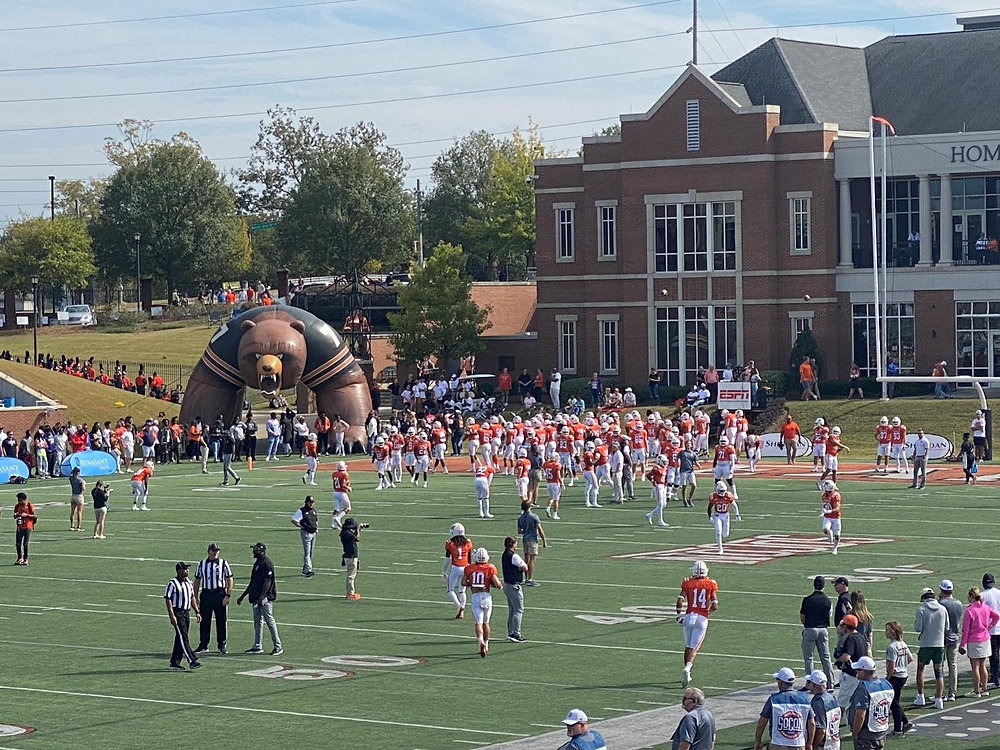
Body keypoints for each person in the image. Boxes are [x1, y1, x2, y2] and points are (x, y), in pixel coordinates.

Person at [675, 560, 719, 687]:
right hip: (701, 618)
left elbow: (679, 601)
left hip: (689, 616)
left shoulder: (687, 582)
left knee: (688, 646)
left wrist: (678, 615)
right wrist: (707, 612)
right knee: (695, 648)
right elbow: (715, 605)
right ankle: (688, 668)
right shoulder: (711, 583)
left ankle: (687, 673)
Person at [236, 542, 283, 656]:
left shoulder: (267, 563)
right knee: (258, 622)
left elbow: (267, 582)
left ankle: (278, 646)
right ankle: (257, 645)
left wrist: (262, 598)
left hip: (264, 599)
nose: (254, 552)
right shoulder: (257, 563)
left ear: (262, 551)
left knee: (269, 621)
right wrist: (243, 596)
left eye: (256, 550)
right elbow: (253, 582)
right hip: (256, 598)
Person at [754, 667, 814, 750]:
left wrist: (758, 741)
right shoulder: (805, 699)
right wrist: (809, 743)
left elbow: (762, 722)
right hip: (798, 744)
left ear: (781, 682)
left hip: (778, 744)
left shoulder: (773, 699)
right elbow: (812, 723)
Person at [194, 542, 234, 655]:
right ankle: (203, 645)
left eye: (217, 550)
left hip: (219, 594)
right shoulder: (202, 564)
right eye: (213, 550)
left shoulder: (223, 563)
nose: (215, 552)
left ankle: (221, 645)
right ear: (209, 551)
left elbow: (230, 579)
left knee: (221, 621)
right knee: (204, 621)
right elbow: (197, 580)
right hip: (206, 594)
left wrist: (228, 595)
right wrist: (195, 597)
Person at [960, 585, 999, 697]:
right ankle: (985, 689)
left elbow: (965, 630)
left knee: (975, 666)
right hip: (985, 639)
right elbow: (996, 616)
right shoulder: (985, 607)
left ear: (971, 596)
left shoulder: (970, 610)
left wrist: (962, 644)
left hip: (974, 640)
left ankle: (976, 691)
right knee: (982, 665)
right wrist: (989, 626)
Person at [462, 547, 502, 657]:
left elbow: (463, 583)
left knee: (478, 623)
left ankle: (481, 642)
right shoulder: (490, 568)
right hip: (486, 596)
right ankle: (487, 644)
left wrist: (471, 582)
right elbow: (498, 585)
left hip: (476, 596)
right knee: (486, 623)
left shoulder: (469, 568)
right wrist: (491, 584)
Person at [163, 561, 202, 671]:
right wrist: (172, 616)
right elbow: (168, 599)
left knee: (180, 638)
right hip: (177, 612)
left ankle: (175, 662)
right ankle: (192, 660)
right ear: (179, 571)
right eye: (184, 569)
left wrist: (197, 611)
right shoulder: (172, 583)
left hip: (186, 613)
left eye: (187, 569)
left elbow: (192, 597)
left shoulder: (189, 583)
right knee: (183, 637)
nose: (187, 571)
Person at [912, 587, 946, 710]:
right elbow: (947, 627)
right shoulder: (942, 609)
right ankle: (939, 699)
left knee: (920, 669)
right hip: (939, 644)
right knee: (939, 671)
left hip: (926, 644)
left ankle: (921, 696)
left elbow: (918, 627)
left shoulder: (921, 609)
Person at [848, 656, 893, 749]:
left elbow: (860, 715)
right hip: (881, 730)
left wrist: (855, 733)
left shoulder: (863, 688)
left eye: (858, 670)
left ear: (864, 671)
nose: (856, 672)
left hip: (866, 735)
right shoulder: (886, 684)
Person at [800, 575, 834, 688]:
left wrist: (807, 625)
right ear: (824, 586)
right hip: (823, 629)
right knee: (826, 657)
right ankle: (830, 683)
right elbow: (829, 615)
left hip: (810, 628)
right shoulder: (828, 600)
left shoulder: (807, 599)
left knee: (809, 658)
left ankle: (810, 683)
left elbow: (802, 616)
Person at [884, 621, 915, 736]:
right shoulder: (903, 643)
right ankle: (905, 722)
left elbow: (891, 665)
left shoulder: (892, 647)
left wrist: (888, 676)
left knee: (894, 703)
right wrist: (903, 666)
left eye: (887, 630)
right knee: (895, 701)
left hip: (895, 677)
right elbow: (911, 658)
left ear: (893, 632)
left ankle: (898, 729)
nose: (885, 632)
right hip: (903, 675)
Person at [835, 614, 869, 711]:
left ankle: (836, 724)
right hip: (860, 674)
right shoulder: (861, 637)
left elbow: (846, 657)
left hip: (851, 674)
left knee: (843, 702)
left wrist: (838, 660)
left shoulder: (850, 639)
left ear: (846, 626)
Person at [938, 579, 964, 701]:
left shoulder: (941, 604)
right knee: (953, 665)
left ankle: (941, 693)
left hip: (943, 638)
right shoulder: (958, 603)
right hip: (955, 637)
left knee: (940, 666)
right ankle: (952, 692)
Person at [501, 536, 528, 643]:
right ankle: (516, 633)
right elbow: (525, 567)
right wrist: (519, 569)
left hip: (507, 584)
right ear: (513, 544)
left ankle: (511, 631)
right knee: (518, 610)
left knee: (512, 610)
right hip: (514, 585)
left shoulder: (504, 554)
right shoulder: (514, 556)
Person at [443, 522, 473, 619]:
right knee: (462, 591)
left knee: (450, 590)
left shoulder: (450, 544)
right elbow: (469, 559)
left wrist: (444, 570)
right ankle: (462, 607)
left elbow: (447, 559)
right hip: (465, 567)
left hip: (455, 567)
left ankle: (458, 606)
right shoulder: (468, 543)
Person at [805, 670, 841, 750]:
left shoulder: (818, 702)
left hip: (825, 745)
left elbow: (821, 729)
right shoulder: (832, 697)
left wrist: (814, 745)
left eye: (809, 682)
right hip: (834, 742)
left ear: (814, 685)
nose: (807, 685)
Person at [517, 500, 547, 586]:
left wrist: (526, 530)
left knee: (526, 559)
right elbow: (540, 529)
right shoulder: (534, 517)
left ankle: (526, 577)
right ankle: (529, 579)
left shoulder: (521, 518)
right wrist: (544, 540)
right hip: (533, 539)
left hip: (525, 539)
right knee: (532, 560)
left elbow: (519, 531)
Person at [707, 480, 740, 555]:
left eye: (723, 491)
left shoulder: (728, 496)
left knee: (725, 534)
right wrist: (710, 517)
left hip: (726, 515)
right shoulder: (713, 496)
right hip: (717, 515)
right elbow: (709, 508)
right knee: (718, 532)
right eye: (720, 491)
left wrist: (737, 514)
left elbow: (734, 505)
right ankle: (720, 549)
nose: (722, 492)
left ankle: (721, 545)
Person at [291, 495, 319, 577]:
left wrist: (317, 528)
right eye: (310, 502)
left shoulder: (314, 511)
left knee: (310, 552)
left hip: (313, 533)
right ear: (306, 502)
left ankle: (305, 569)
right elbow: (294, 520)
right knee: (307, 552)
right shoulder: (301, 511)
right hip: (306, 533)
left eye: (312, 502)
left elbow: (316, 521)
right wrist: (301, 527)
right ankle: (308, 570)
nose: (311, 504)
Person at [982, 573, 1000, 688]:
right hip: (997, 627)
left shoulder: (983, 595)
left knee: (994, 654)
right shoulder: (998, 592)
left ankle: (995, 676)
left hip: (991, 628)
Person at [340, 517, 362, 600]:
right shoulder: (347, 534)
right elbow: (357, 538)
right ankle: (350, 593)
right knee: (350, 576)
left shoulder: (345, 532)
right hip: (350, 556)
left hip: (349, 555)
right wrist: (358, 529)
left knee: (351, 575)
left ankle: (351, 592)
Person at [13, 492, 36, 566]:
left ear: (24, 499)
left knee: (25, 543)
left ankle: (26, 559)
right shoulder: (17, 506)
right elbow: (15, 515)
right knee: (18, 543)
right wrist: (16, 515)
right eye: (18, 500)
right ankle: (20, 558)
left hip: (27, 526)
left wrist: (26, 515)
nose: (19, 502)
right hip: (19, 526)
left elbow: (34, 516)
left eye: (20, 500)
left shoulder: (29, 505)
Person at [820, 480, 842, 555]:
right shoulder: (824, 495)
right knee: (825, 529)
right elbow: (826, 505)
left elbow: (837, 508)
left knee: (837, 535)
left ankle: (835, 548)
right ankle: (829, 533)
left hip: (836, 517)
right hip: (827, 517)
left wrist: (829, 511)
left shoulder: (836, 495)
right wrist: (823, 511)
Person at [331, 460, 352, 530]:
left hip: (335, 492)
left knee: (337, 509)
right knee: (348, 508)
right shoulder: (345, 474)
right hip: (342, 493)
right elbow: (343, 485)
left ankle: (333, 524)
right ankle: (338, 518)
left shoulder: (334, 474)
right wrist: (348, 488)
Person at [68, 466, 86, 532]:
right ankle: (79, 526)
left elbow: (70, 476)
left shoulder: (71, 478)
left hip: (73, 495)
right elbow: (83, 488)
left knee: (72, 512)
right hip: (79, 496)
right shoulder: (80, 480)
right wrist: (84, 483)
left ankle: (72, 525)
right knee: (79, 512)